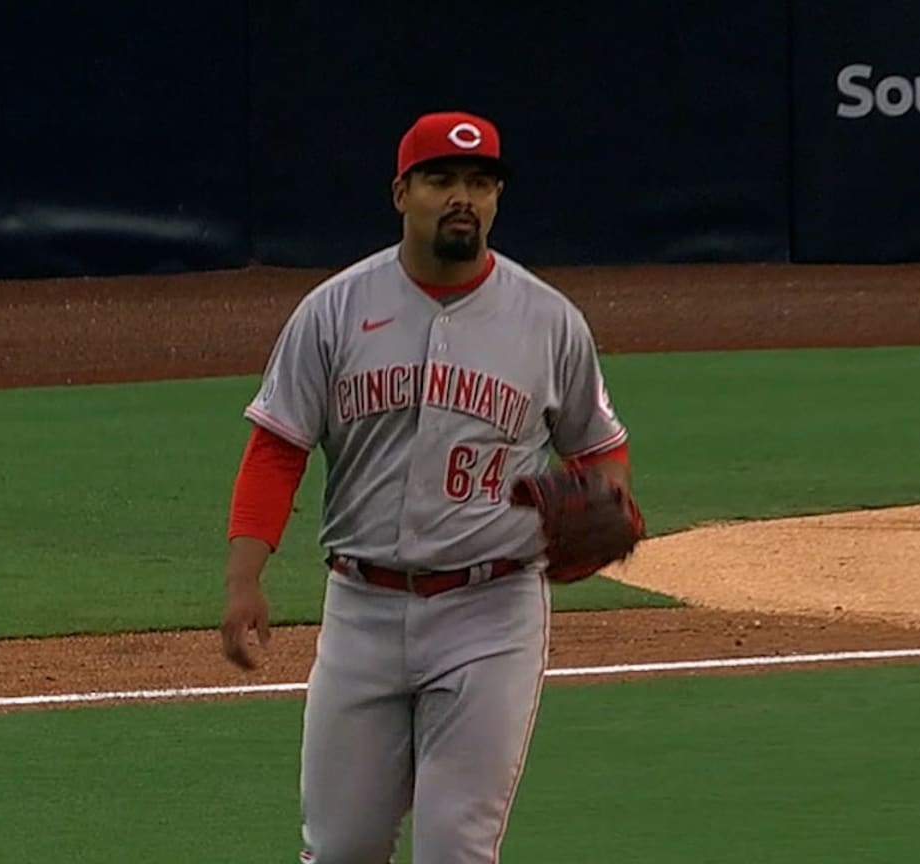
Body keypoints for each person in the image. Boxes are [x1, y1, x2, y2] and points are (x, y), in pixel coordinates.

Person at [218, 110, 636, 863]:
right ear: (401, 192)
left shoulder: (548, 321)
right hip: (362, 609)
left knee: (456, 850)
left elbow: (599, 448)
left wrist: (608, 502)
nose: (463, 198)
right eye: (442, 179)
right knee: (342, 848)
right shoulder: (335, 310)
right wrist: (244, 579)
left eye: (481, 183)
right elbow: (277, 447)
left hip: (492, 613)